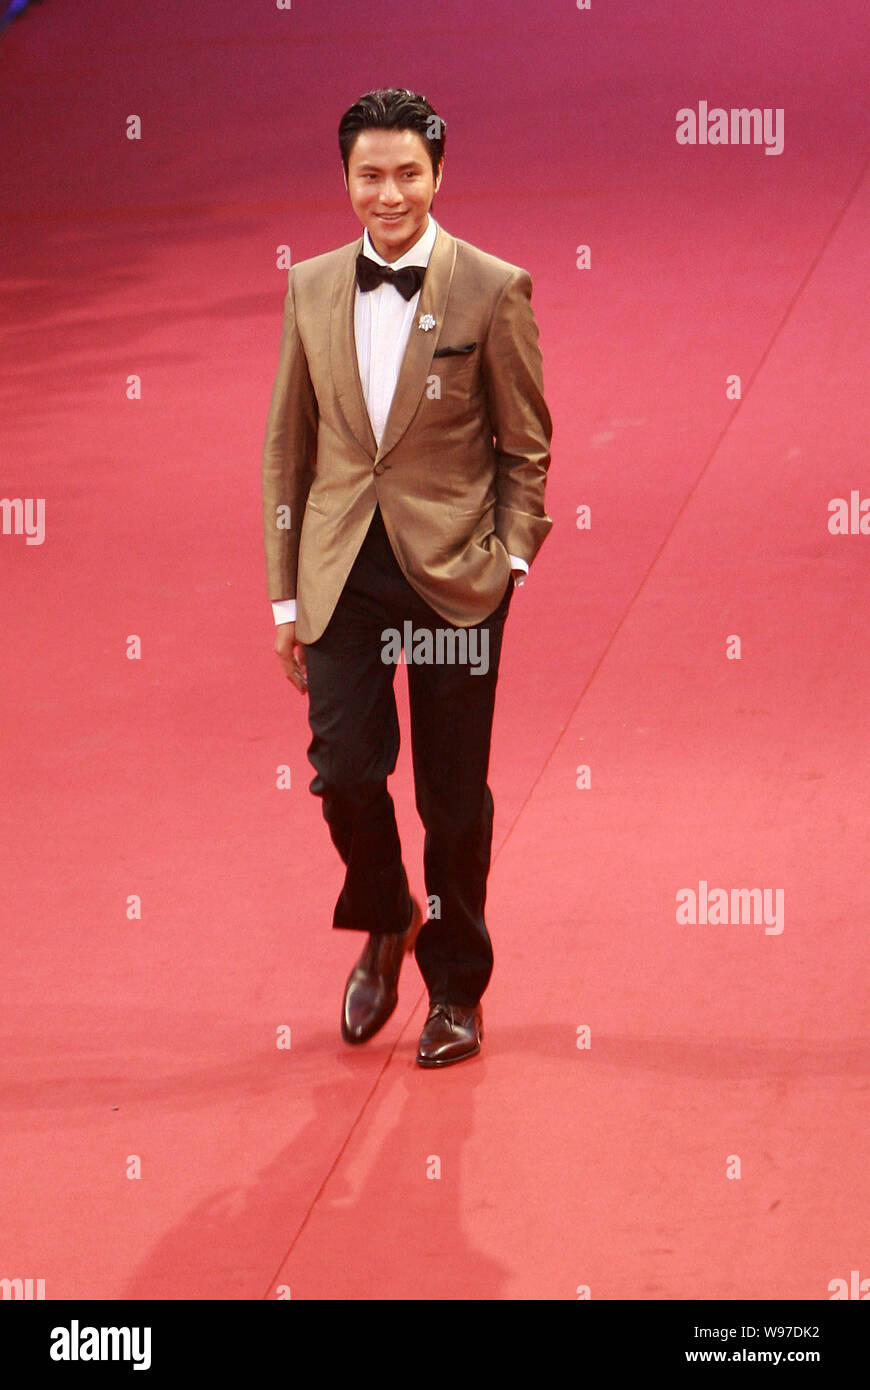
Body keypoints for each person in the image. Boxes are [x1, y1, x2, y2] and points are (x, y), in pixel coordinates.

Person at [261, 88, 552, 1067]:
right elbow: (286, 450)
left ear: (439, 174)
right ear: (345, 179)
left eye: (407, 173)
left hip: (454, 575)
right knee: (344, 773)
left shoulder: (493, 286)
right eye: (369, 175)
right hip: (342, 566)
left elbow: (527, 444)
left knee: (453, 797)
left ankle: (456, 990)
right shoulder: (307, 287)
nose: (389, 193)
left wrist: (511, 556)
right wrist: (285, 599)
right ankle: (388, 913)